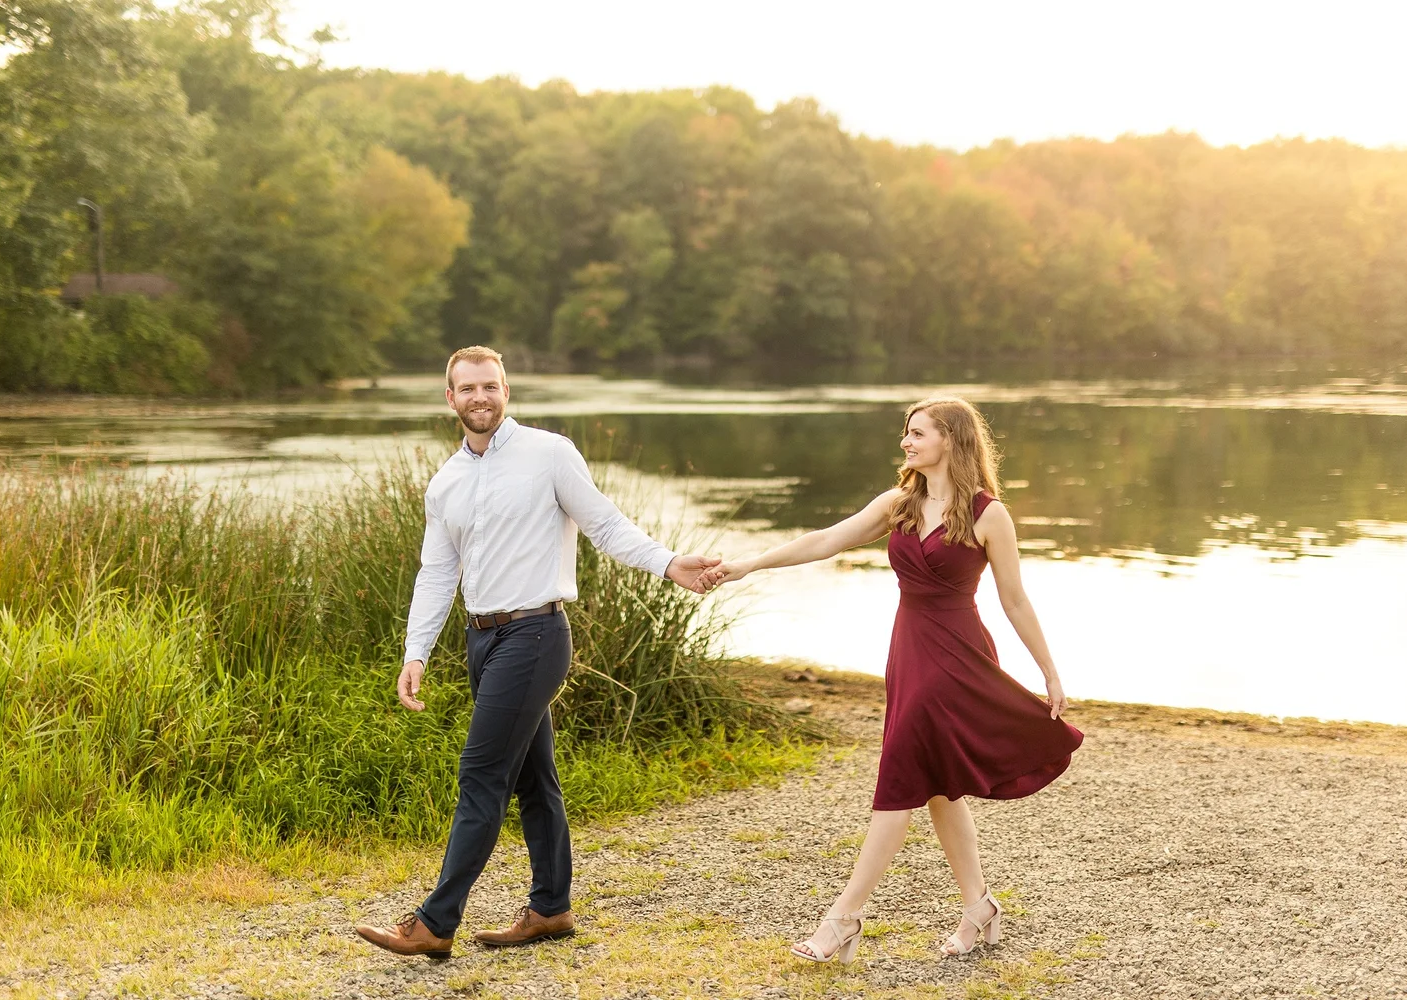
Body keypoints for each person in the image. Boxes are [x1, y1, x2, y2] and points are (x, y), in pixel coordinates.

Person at [356, 346, 721, 961]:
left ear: (506, 391)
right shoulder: (444, 482)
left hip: (536, 634)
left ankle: (435, 923)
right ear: (450, 398)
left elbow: (605, 525)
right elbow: (436, 573)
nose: (481, 397)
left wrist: (667, 564)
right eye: (468, 388)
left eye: (491, 386)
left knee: (480, 774)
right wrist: (415, 650)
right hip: (481, 640)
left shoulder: (549, 454)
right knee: (533, 777)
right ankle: (551, 908)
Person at [708, 395, 1083, 963]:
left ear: (952, 440)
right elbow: (825, 540)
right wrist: (749, 564)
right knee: (935, 787)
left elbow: (1014, 599)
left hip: (957, 660)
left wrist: (1050, 671)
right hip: (908, 654)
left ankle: (843, 919)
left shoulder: (988, 514)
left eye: (918, 433)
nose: (907, 442)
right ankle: (979, 906)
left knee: (899, 781)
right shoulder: (898, 505)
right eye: (906, 433)